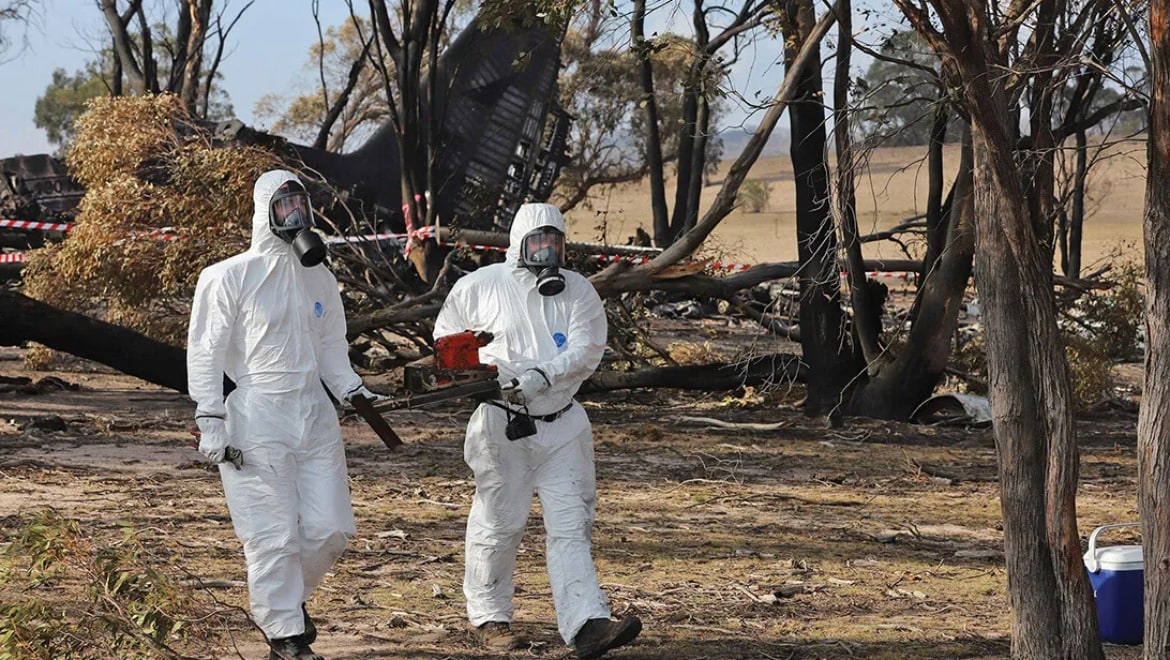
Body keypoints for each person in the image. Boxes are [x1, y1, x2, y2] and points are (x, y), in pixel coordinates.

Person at [187, 169, 386, 660]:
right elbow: (205, 351)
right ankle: (286, 637)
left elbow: (331, 351)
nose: (294, 214)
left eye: (300, 204)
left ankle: (287, 604)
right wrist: (209, 417)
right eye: (283, 205)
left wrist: (356, 393)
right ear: (263, 212)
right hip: (257, 414)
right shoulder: (229, 276)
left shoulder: (320, 277)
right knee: (271, 533)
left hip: (315, 413)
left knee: (333, 528)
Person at [433, 203, 642, 659]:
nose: (547, 250)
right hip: (501, 425)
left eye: (555, 241)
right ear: (519, 244)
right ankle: (491, 617)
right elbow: (448, 345)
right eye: (538, 242)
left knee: (572, 525)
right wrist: (493, 367)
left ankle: (587, 623)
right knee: (500, 520)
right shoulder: (480, 287)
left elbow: (587, 349)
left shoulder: (578, 293)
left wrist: (545, 374)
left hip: (563, 425)